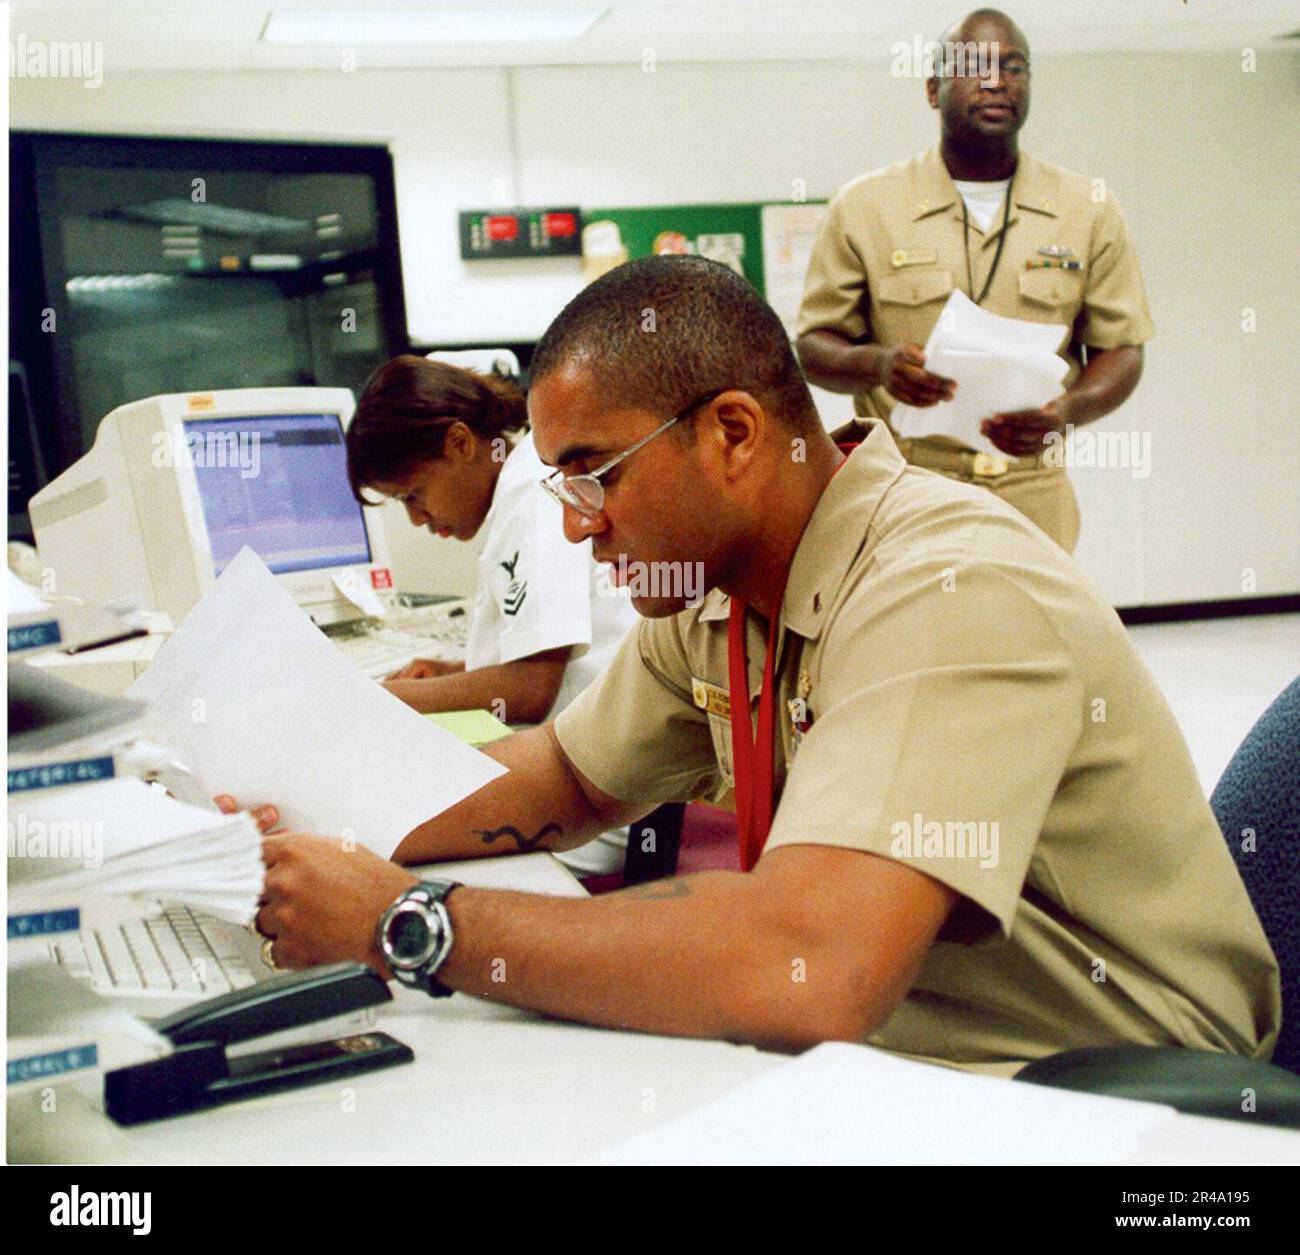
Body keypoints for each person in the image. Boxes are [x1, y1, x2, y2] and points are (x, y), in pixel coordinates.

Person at [245, 257, 1277, 1077]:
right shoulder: (718, 592)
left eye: (592, 477)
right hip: (911, 1045)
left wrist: (407, 921)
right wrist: (296, 818)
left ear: (732, 435)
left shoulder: (949, 586)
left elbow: (811, 963)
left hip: (1106, 1090)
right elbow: (559, 778)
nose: (572, 528)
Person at [796, 8, 1153, 552]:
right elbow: (815, 347)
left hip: (1031, 493)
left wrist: (1067, 412)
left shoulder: (1087, 208)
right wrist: (879, 366)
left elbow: (1122, 348)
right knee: (914, 636)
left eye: (1014, 67)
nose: (996, 81)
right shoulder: (866, 205)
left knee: (1032, 637)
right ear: (933, 88)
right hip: (907, 491)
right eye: (975, 66)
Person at [346, 354, 638, 875]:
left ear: (461, 443)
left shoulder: (532, 495)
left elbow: (531, 689)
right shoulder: (520, 484)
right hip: (578, 768)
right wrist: (456, 672)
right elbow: (553, 656)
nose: (416, 518)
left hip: (592, 805)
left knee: (363, 833)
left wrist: (384, 700)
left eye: (414, 494)